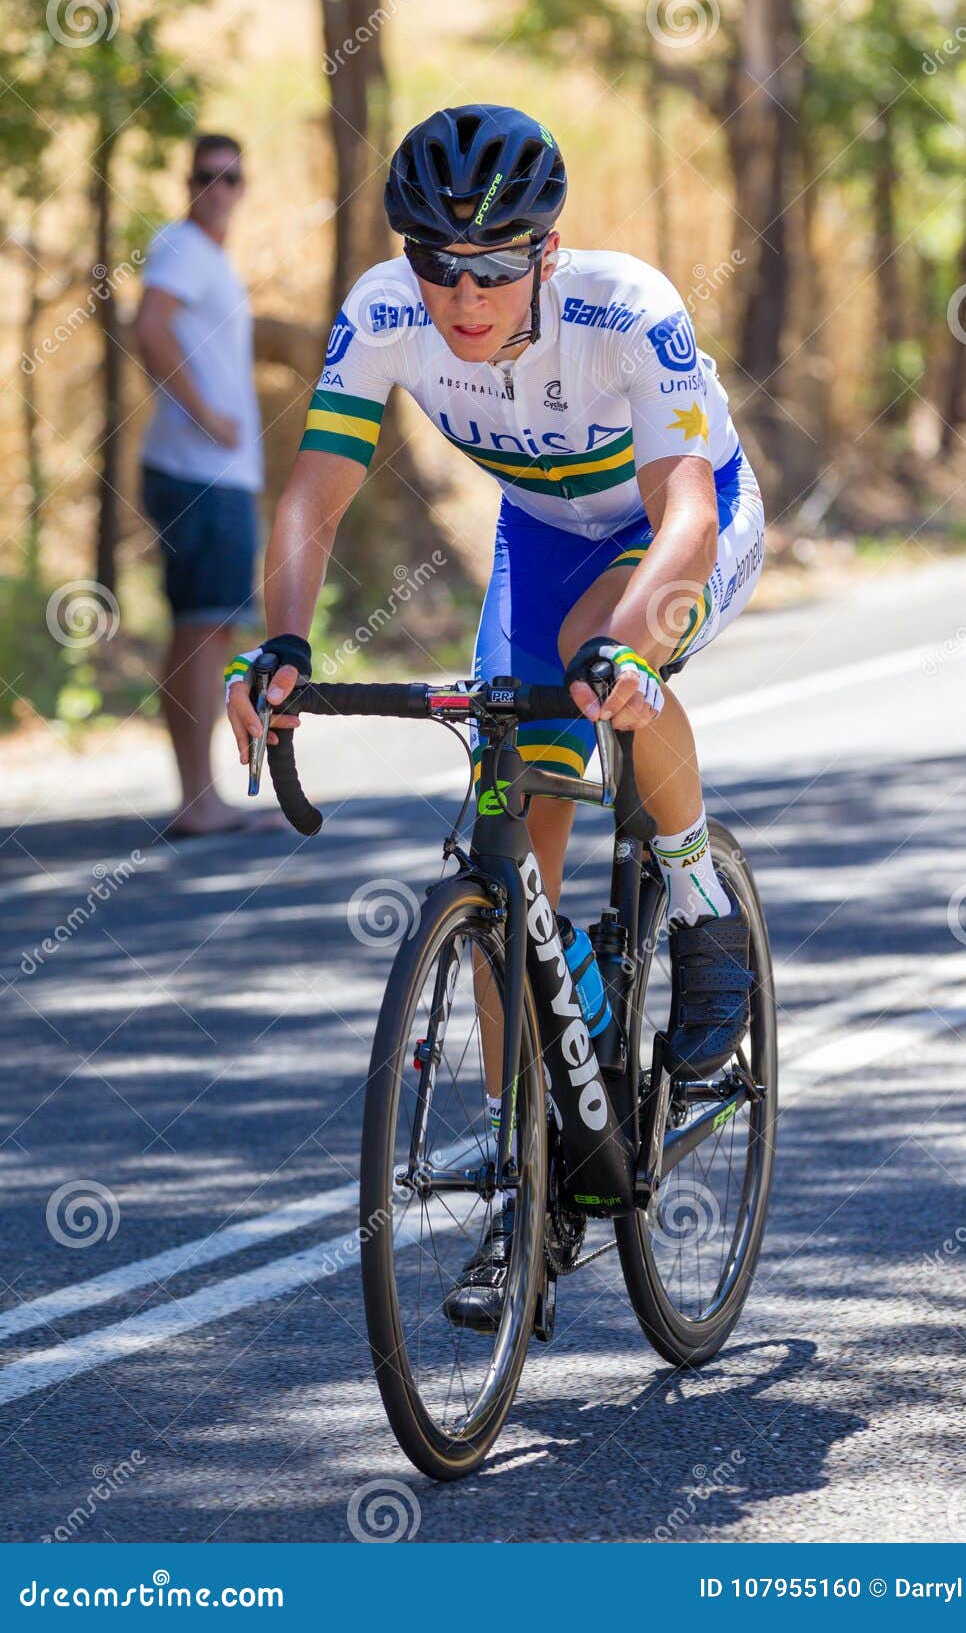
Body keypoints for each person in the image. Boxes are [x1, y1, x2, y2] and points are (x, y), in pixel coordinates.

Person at [226, 104, 765, 1325]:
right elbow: (314, 490)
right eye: (435, 265)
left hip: (682, 520)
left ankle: (694, 892)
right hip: (541, 532)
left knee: (601, 669)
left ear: (546, 251)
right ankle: (527, 1174)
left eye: (489, 268)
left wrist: (631, 652)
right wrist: (284, 647)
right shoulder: (381, 313)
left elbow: (682, 504)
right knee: (511, 840)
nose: (459, 297)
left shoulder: (623, 308)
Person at [135, 132, 275, 837]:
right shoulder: (182, 247)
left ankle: (200, 795)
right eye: (205, 177)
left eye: (230, 178)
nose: (217, 190)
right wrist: (203, 415)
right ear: (187, 181)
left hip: (217, 473)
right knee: (202, 628)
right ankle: (198, 801)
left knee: (212, 627)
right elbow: (148, 326)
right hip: (196, 472)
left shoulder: (208, 257)